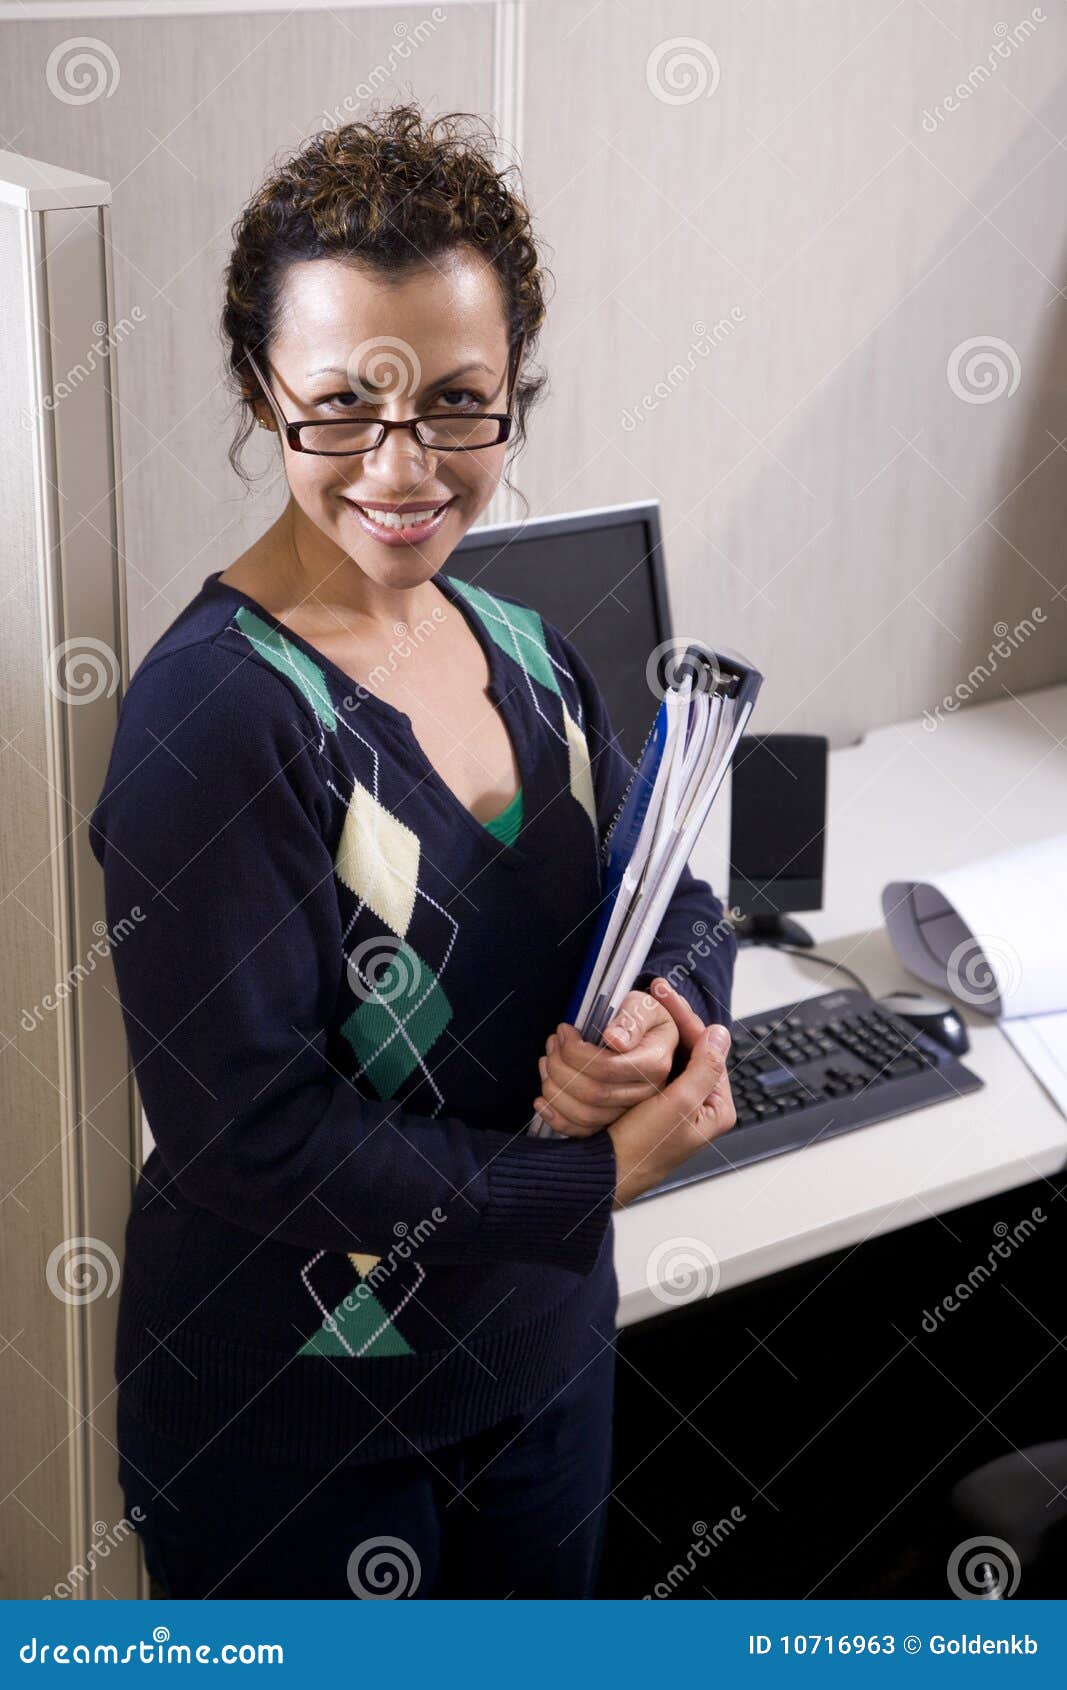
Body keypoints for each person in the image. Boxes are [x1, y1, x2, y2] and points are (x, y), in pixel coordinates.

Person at [89, 103, 737, 1600]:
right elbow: (246, 1136)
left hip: (541, 1360)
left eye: (458, 401)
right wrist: (581, 1187)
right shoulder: (218, 715)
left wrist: (658, 1017)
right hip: (295, 1431)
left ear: (516, 393)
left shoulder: (524, 645)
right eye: (341, 404)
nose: (403, 465)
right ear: (263, 390)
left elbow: (681, 899)